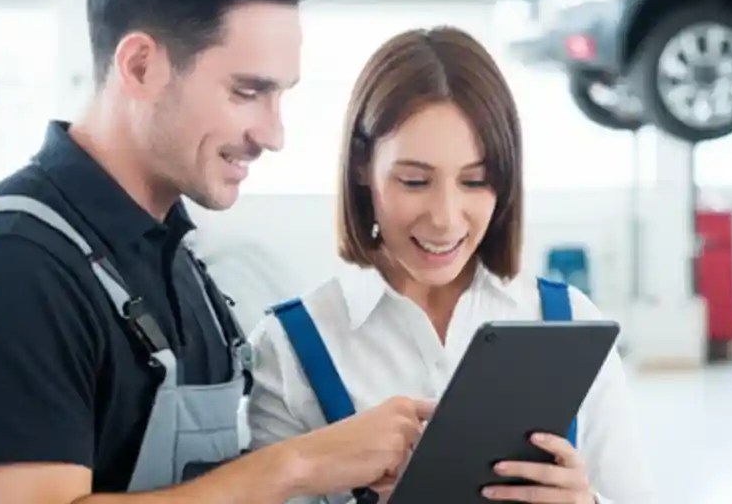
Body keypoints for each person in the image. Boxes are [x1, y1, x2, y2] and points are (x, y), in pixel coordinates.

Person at [0, 0, 434, 504]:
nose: (273, 134)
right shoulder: (11, 268)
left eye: (281, 96)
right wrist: (294, 465)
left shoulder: (177, 261)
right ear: (141, 66)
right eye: (248, 92)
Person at [246, 27, 655, 504]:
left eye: (475, 181)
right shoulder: (289, 350)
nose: (444, 219)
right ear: (361, 165)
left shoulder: (569, 321)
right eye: (415, 181)